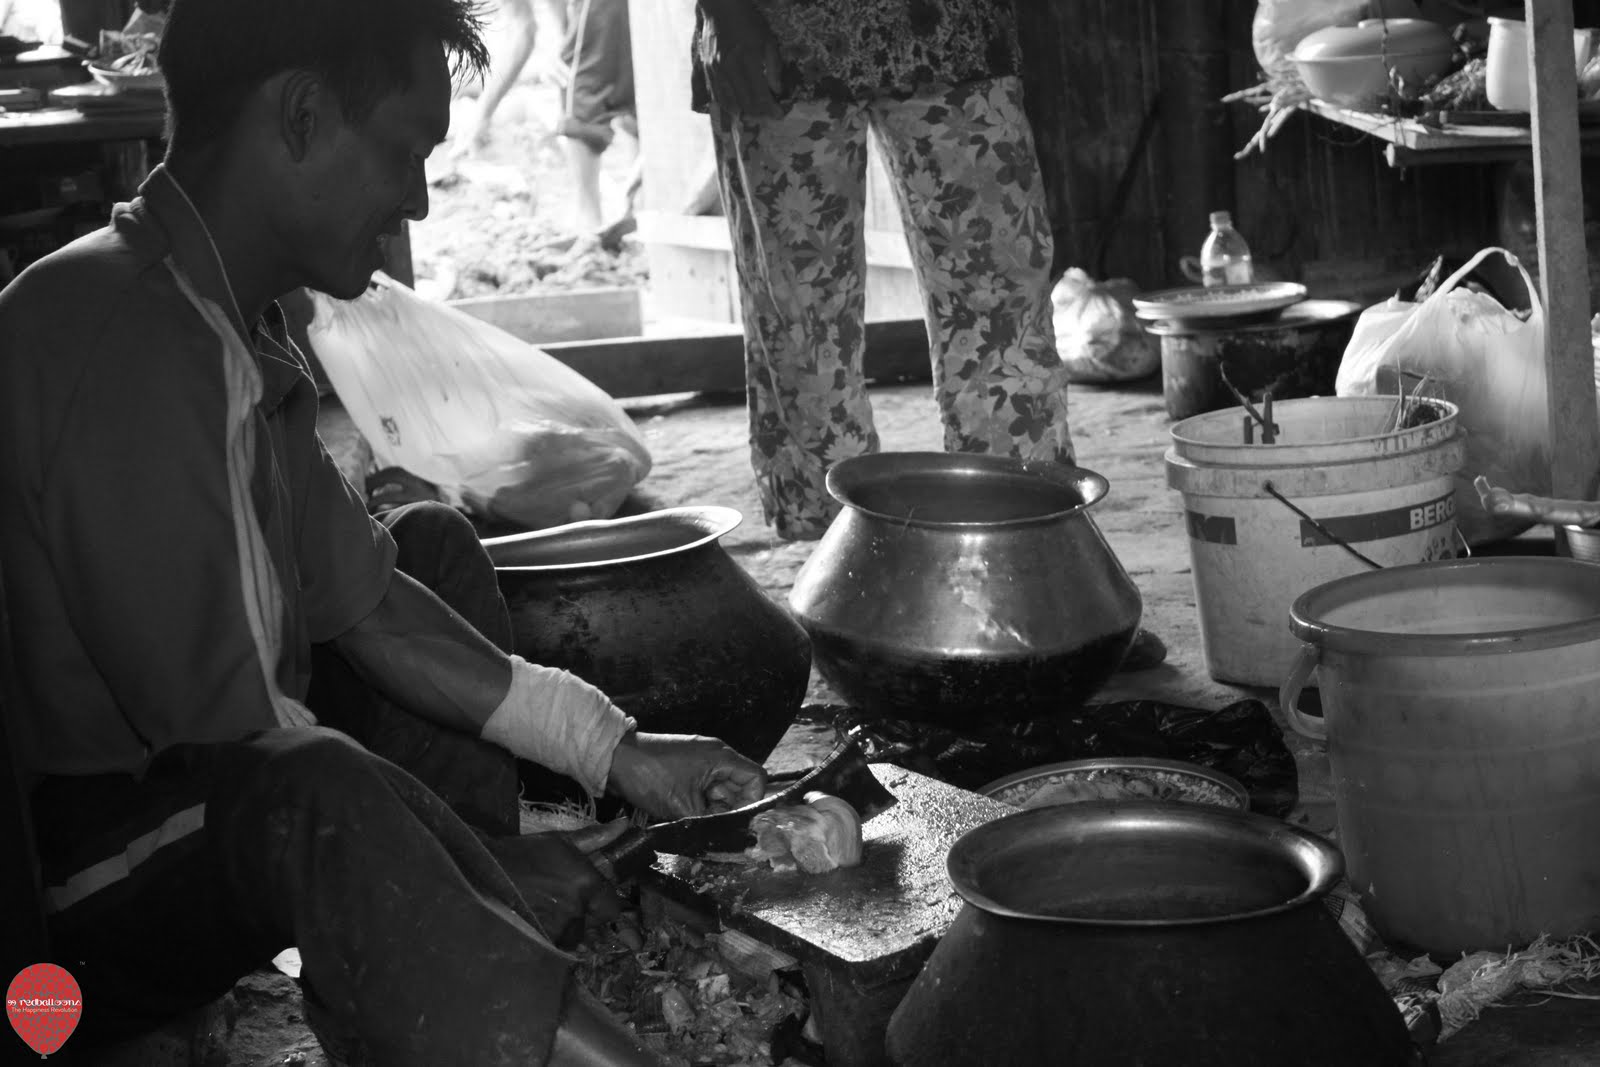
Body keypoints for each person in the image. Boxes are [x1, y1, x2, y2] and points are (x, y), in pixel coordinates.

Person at [0, 0, 766, 1063]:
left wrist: (619, 749)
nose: (413, 194)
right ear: (304, 114)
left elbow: (369, 601)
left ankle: (434, 980)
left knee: (434, 548)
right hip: (60, 918)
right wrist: (474, 873)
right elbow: (245, 749)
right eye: (404, 152)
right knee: (321, 791)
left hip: (186, 805)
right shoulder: (119, 338)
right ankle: (493, 994)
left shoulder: (213, 317)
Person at [693, 0, 1070, 542]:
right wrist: (723, 13)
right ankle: (843, 555)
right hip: (776, 32)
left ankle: (1022, 523)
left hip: (953, 28)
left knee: (1001, 293)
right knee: (802, 312)